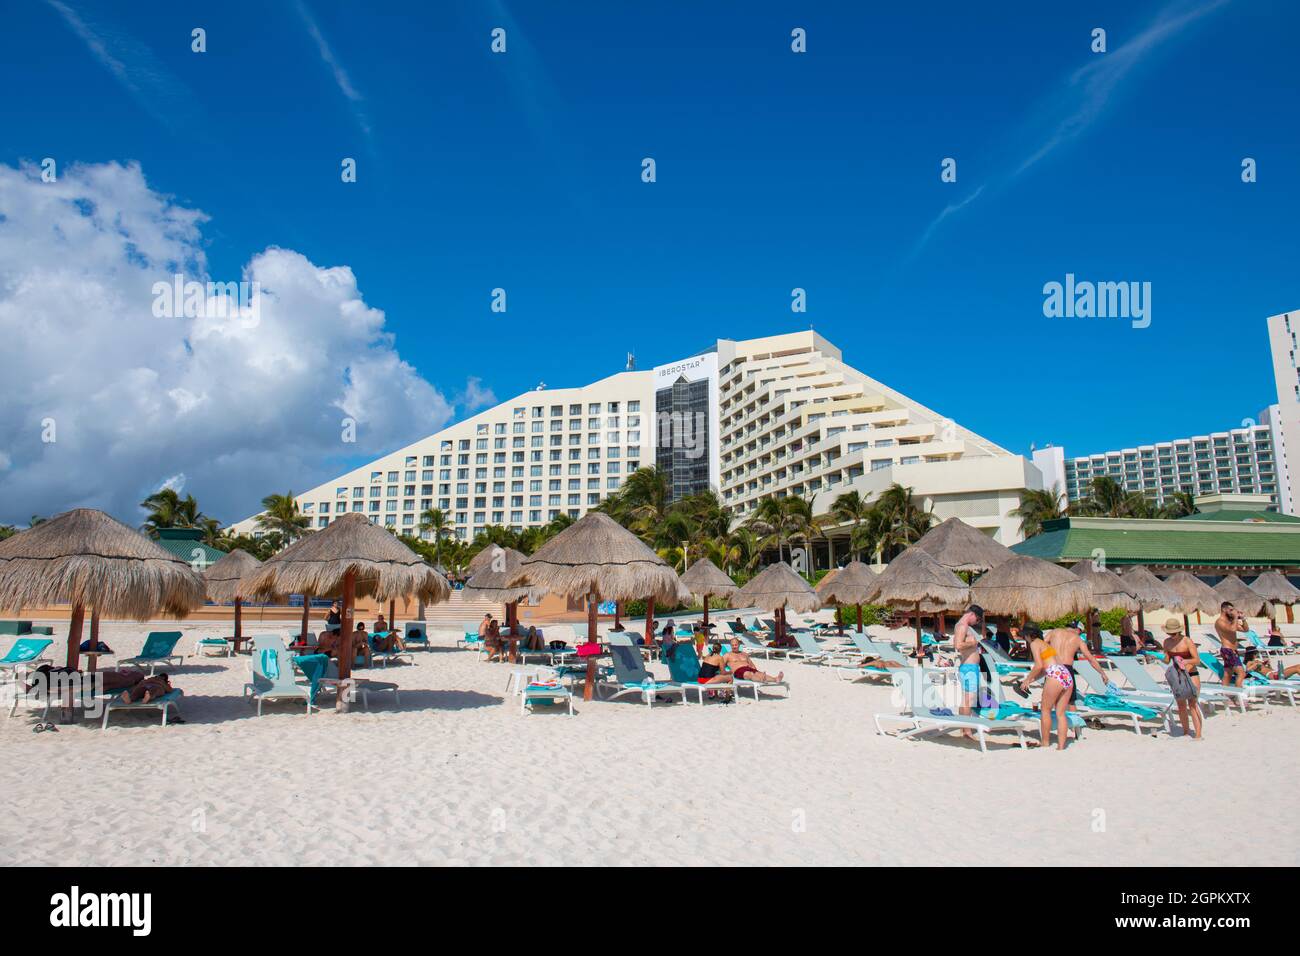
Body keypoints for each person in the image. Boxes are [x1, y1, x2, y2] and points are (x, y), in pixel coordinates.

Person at [1017, 622, 1107, 751]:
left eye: (1024, 636)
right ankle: (1061, 746)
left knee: (1045, 710)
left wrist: (1027, 679)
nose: (1024, 638)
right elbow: (1044, 669)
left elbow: (1038, 666)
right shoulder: (1046, 646)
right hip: (1066, 674)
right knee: (1060, 713)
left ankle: (1045, 742)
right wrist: (1031, 681)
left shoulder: (1035, 643)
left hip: (1055, 675)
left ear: (1028, 635)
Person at [1161, 618, 1203, 740]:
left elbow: (1197, 660)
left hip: (1191, 673)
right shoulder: (1167, 642)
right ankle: (1185, 732)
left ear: (1179, 631)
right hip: (1178, 675)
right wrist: (1159, 656)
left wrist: (1185, 661)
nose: (1172, 636)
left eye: (1174, 633)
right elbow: (1167, 659)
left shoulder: (1187, 641)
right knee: (1181, 705)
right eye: (1170, 633)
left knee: (1193, 704)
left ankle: (1198, 734)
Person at [952, 605, 984, 726]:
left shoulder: (961, 626)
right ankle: (967, 730)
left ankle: (963, 728)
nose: (977, 622)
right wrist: (972, 643)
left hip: (969, 667)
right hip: (969, 667)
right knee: (969, 700)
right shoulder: (962, 626)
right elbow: (958, 645)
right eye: (978, 619)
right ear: (972, 614)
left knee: (966, 699)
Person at [1215, 601, 1248, 688]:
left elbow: (1245, 630)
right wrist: (1236, 617)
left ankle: (1226, 696)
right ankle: (1238, 696)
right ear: (1224, 609)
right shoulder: (1220, 622)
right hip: (1228, 650)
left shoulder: (1229, 621)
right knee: (1241, 673)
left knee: (1228, 674)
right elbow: (1232, 630)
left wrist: (1243, 619)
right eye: (1230, 610)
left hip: (1231, 650)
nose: (1232, 611)